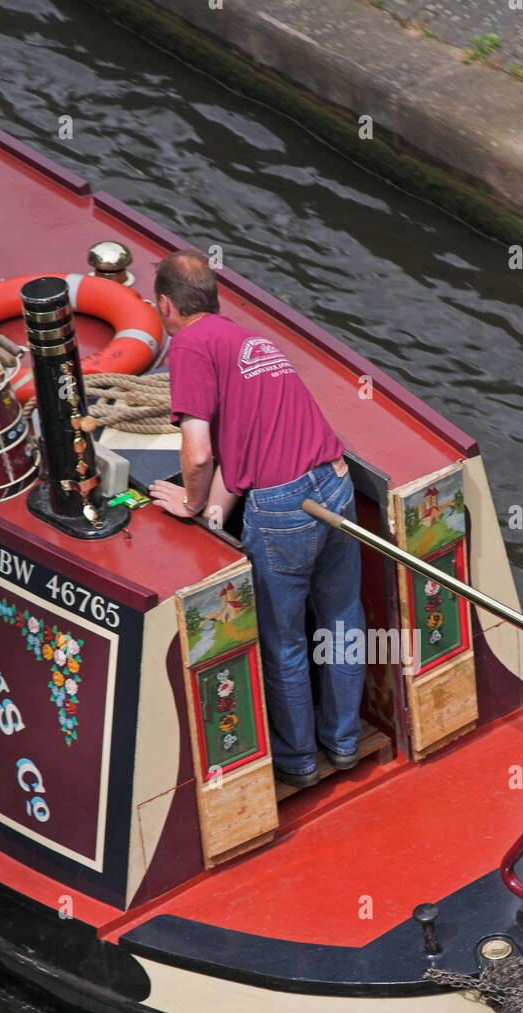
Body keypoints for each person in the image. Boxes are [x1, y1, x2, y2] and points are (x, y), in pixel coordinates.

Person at [149, 251, 365, 788]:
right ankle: (342, 743)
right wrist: (222, 504)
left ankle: (297, 763)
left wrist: (193, 506)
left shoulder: (189, 345)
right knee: (341, 622)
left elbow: (198, 454)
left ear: (166, 306)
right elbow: (241, 442)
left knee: (284, 642)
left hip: (284, 510)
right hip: (334, 486)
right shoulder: (248, 341)